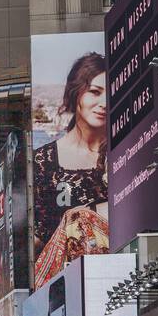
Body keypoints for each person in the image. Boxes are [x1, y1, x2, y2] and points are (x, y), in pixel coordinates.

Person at [33, 51, 108, 286]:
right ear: (76, 93)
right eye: (94, 92)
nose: (104, 104)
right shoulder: (43, 161)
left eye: (111, 94)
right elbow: (35, 240)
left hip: (119, 272)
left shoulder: (124, 152)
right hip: (61, 286)